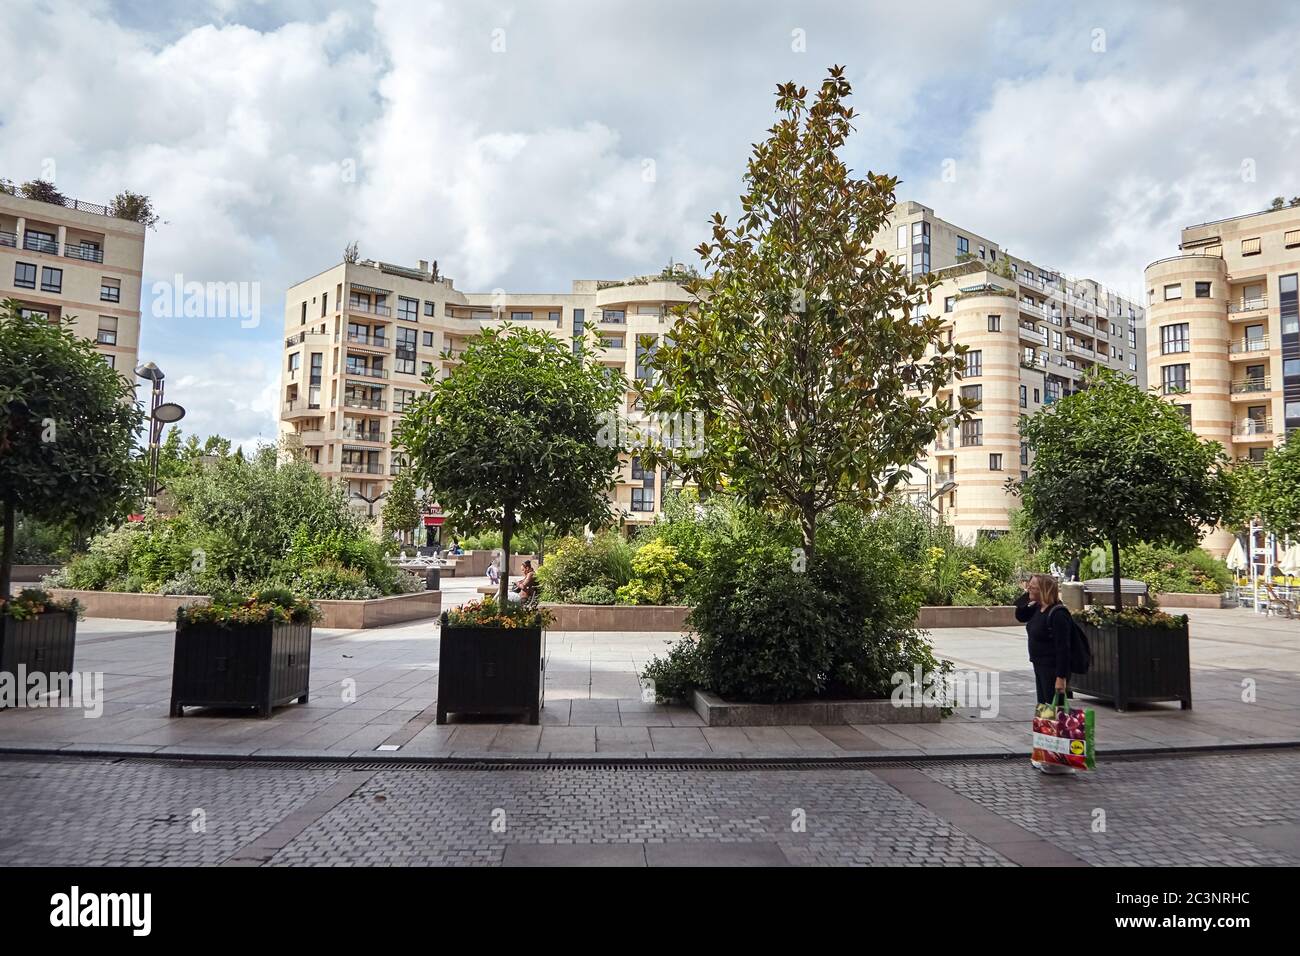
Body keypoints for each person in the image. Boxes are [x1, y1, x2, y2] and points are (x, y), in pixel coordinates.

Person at [1015, 572, 1076, 773]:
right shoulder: (1037, 609)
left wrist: (1061, 677)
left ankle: (1059, 758)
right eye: (1029, 586)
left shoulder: (1058, 613)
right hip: (1040, 666)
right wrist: (1028, 595)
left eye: (1033, 587)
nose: (1029, 589)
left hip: (1052, 670)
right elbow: (1019, 614)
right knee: (1045, 711)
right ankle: (1047, 754)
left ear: (1044, 590)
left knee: (1055, 712)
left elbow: (1064, 649)